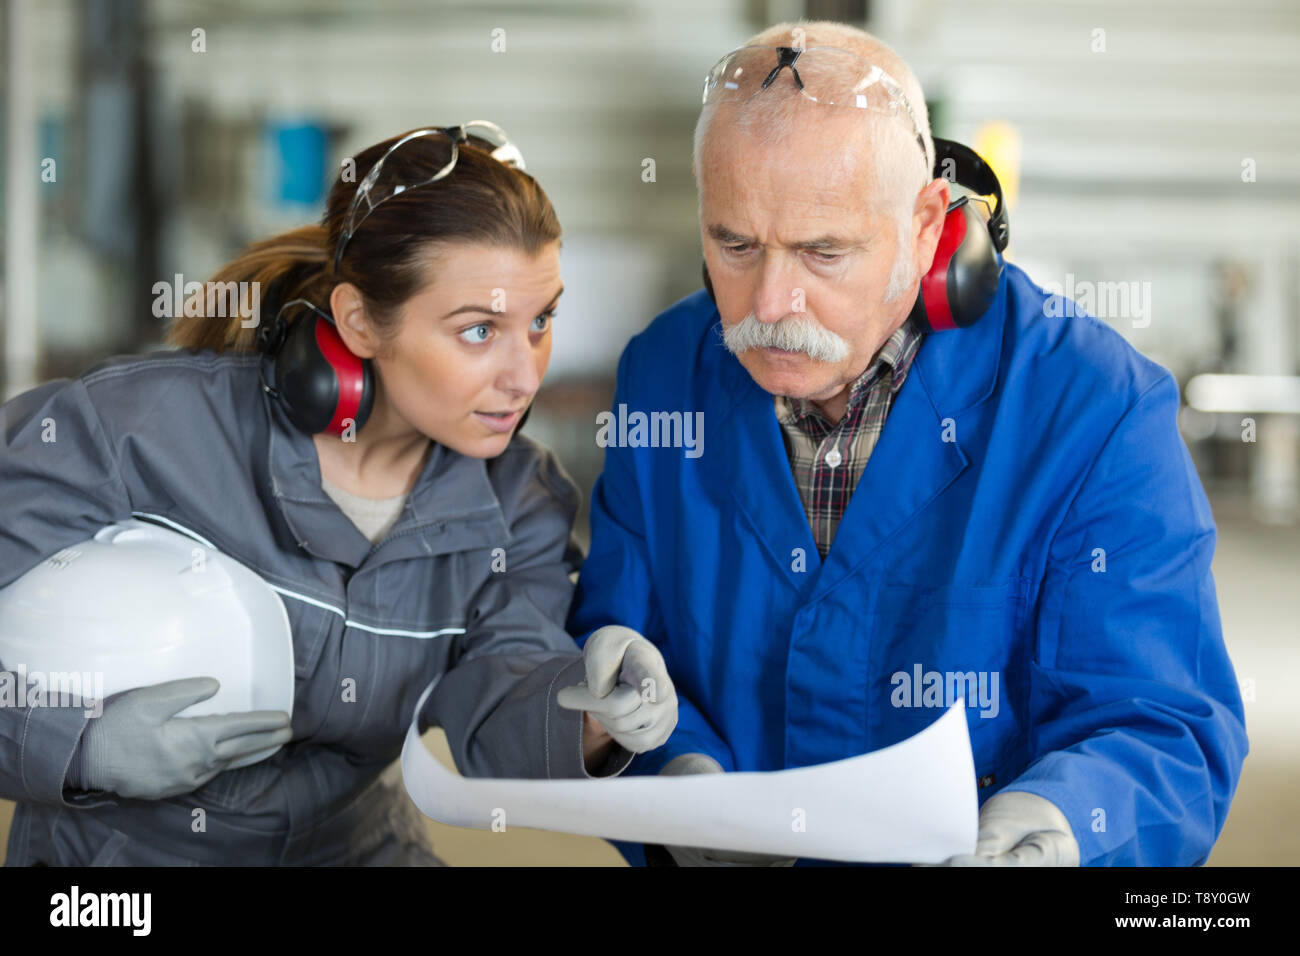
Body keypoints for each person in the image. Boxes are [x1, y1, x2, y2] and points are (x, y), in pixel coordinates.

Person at [567, 22, 1248, 867]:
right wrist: (673, 779)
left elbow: (1164, 725)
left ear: (929, 225)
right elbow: (620, 648)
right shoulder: (665, 374)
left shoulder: (1096, 409)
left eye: (823, 251)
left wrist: (1061, 821)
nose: (770, 302)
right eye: (735, 244)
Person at [0, 122, 677, 866]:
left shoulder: (517, 500)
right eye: (480, 331)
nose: (525, 375)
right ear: (360, 321)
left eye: (541, 319)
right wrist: (82, 749)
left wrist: (592, 712)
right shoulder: (134, 432)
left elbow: (502, 698)